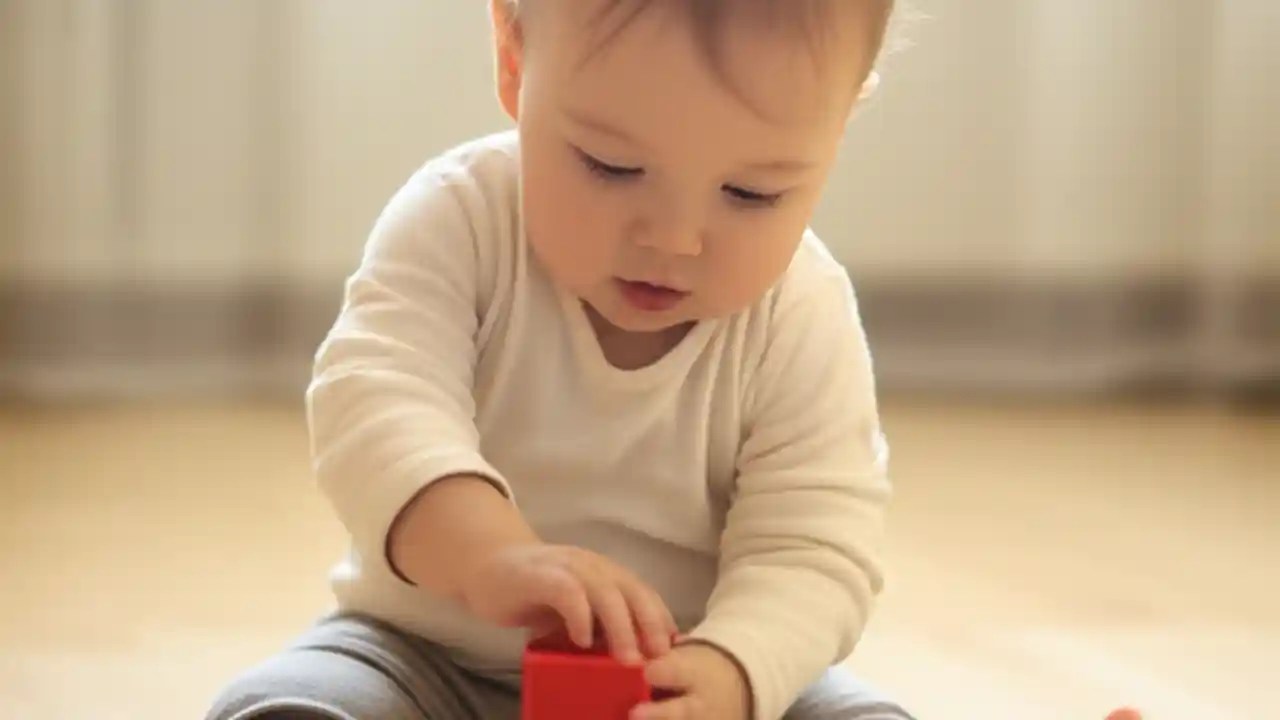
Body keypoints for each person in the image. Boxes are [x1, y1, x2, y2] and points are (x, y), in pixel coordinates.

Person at [206, 2, 1141, 719]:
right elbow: (375, 407)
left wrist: (734, 673)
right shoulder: (458, 223)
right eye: (610, 167)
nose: (675, 238)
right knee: (294, 699)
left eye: (751, 191)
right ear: (514, 55)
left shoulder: (800, 313)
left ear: (840, 128)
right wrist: (490, 558)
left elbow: (814, 547)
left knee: (848, 708)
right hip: (427, 662)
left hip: (684, 679)